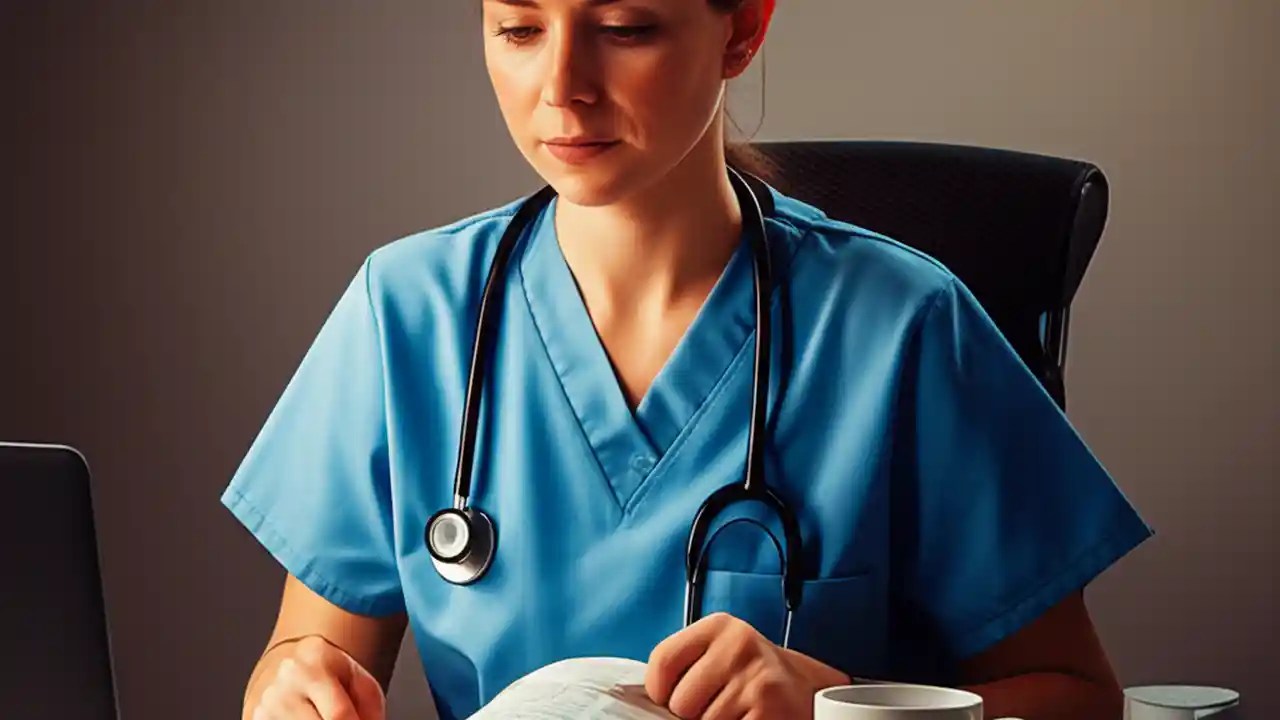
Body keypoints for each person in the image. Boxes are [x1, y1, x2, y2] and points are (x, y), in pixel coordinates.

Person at [221, 1, 1153, 719]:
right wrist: (295, 682)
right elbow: (311, 653)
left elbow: (1075, 695)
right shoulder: (408, 312)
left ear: (741, 30)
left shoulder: (902, 327)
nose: (562, 86)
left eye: (625, 29)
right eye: (516, 28)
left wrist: (841, 706)